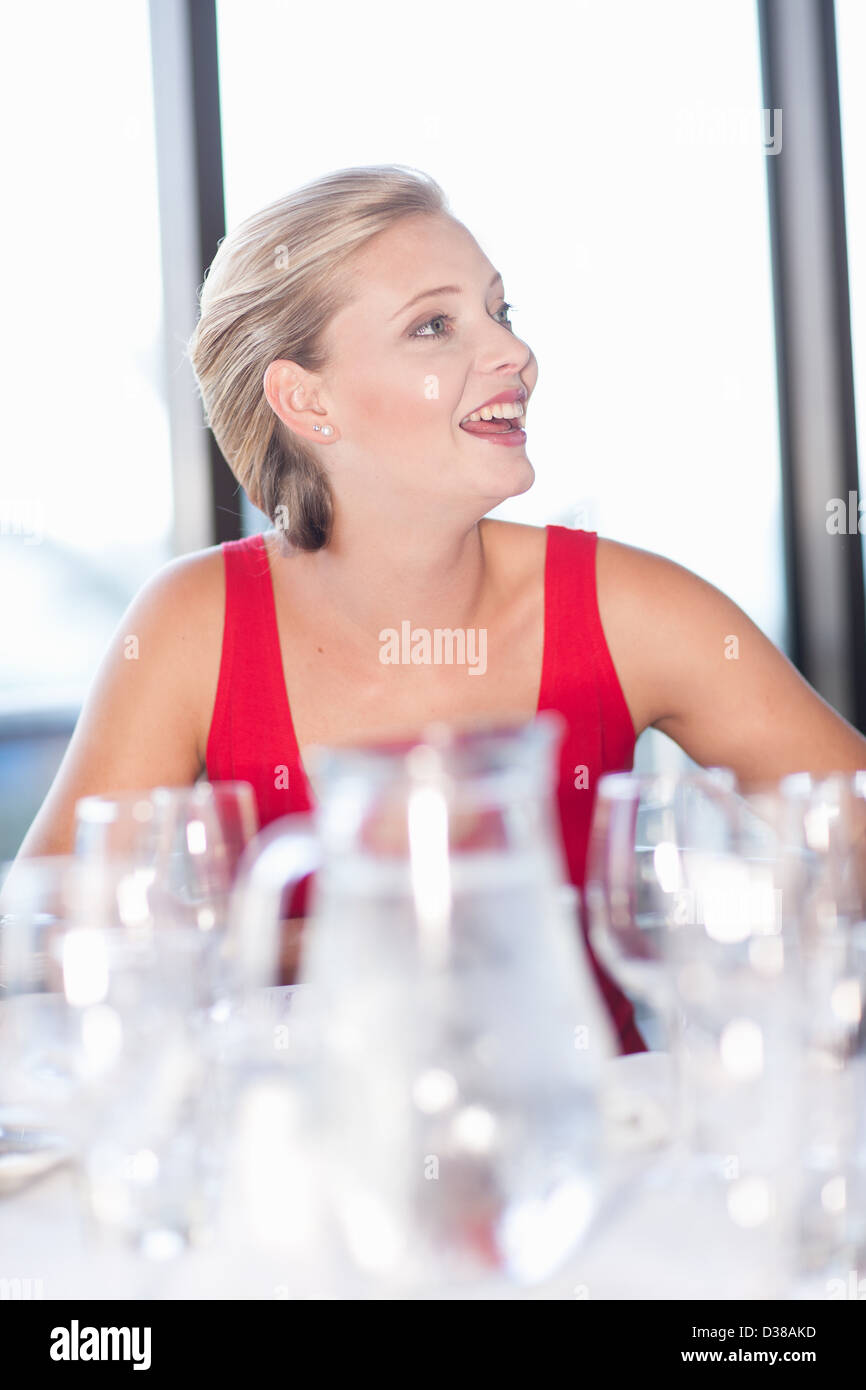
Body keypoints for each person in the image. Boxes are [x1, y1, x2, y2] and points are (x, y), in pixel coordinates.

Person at [16, 164, 866, 1052]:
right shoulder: (192, 625)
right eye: (434, 326)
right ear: (307, 400)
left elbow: (850, 833)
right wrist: (335, 940)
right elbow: (45, 932)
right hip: (300, 1164)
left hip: (595, 1150)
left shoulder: (629, 606)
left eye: (501, 314)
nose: (514, 355)